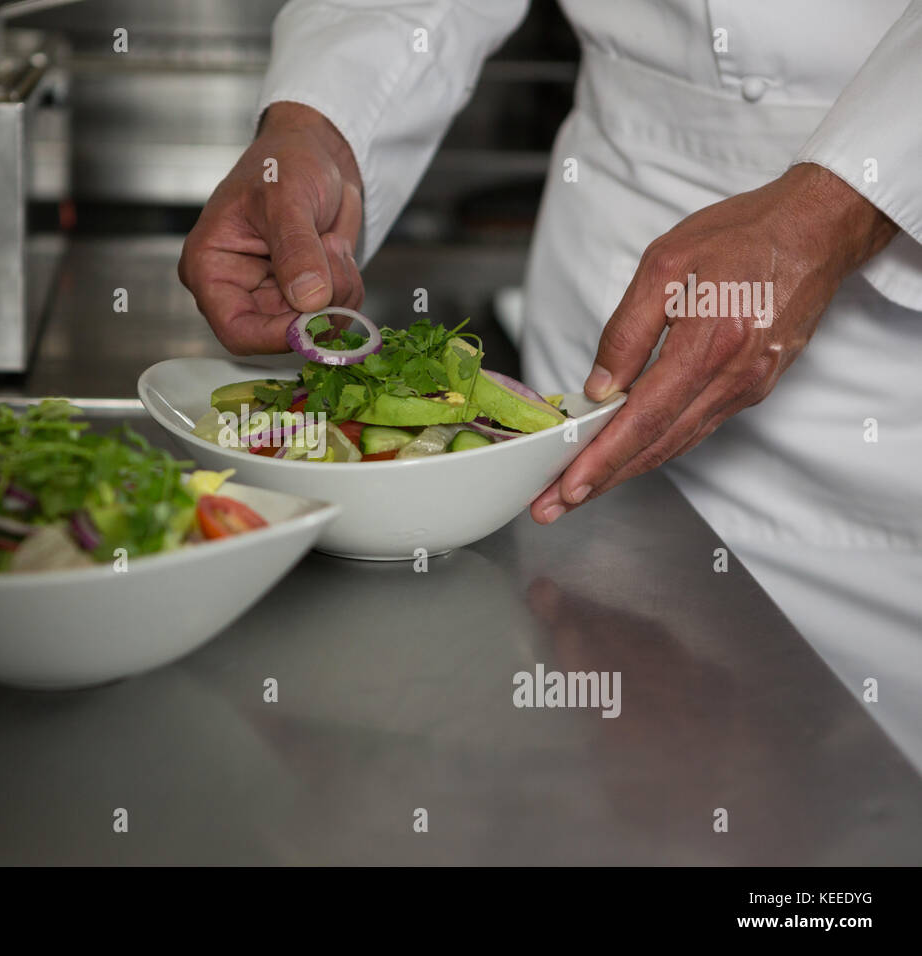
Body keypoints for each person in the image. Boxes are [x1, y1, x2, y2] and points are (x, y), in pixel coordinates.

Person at [178, 0, 922, 768]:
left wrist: (836, 211)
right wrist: (318, 124)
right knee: (598, 757)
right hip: (620, 240)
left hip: (893, 353)